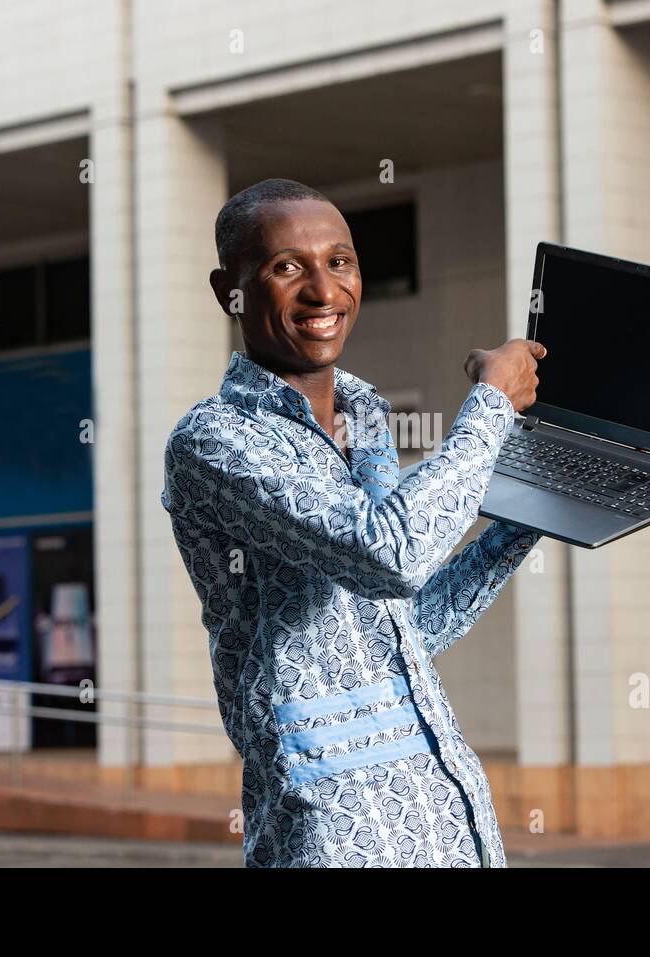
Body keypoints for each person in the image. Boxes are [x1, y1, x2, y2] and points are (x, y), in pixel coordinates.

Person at [161, 177, 545, 867]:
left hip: (445, 825)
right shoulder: (215, 441)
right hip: (337, 836)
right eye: (286, 267)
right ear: (230, 292)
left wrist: (527, 520)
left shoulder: (365, 420)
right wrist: (490, 404)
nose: (322, 290)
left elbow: (398, 619)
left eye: (339, 261)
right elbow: (389, 553)